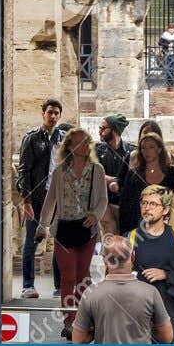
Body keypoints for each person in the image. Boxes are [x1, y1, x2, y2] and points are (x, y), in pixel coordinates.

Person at [38, 127, 108, 333]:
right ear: (69, 146)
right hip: (64, 229)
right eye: (80, 142)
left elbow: (103, 198)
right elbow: (50, 200)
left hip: (87, 229)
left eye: (87, 142)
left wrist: (95, 215)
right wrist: (43, 226)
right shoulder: (60, 172)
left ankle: (84, 320)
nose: (85, 146)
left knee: (83, 276)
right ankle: (69, 320)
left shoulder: (97, 170)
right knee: (68, 276)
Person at [128, 185, 174, 343]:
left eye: (153, 204)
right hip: (140, 316)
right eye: (144, 203)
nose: (147, 208)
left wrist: (166, 274)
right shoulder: (131, 238)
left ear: (165, 210)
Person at [72, 235, 174, 345]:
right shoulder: (150, 292)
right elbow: (167, 337)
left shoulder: (91, 293)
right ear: (133, 256)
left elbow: (78, 340)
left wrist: (95, 331)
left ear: (104, 259)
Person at [14, 97, 64, 298]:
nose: (52, 116)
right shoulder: (32, 138)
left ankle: (60, 286)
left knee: (60, 242)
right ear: (43, 113)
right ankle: (28, 285)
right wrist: (26, 200)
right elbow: (24, 171)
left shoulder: (64, 138)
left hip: (58, 198)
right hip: (37, 198)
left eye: (56, 113)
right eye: (49, 112)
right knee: (32, 241)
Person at [116, 131, 174, 233]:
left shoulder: (173, 173)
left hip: (167, 228)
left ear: (159, 149)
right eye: (143, 148)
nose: (146, 151)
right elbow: (125, 207)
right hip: (137, 229)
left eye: (151, 147)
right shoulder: (133, 175)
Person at [95, 114, 133, 232]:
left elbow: (134, 178)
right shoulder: (96, 150)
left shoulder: (131, 152)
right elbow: (94, 175)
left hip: (126, 205)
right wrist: (116, 180)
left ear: (114, 130)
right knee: (110, 242)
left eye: (103, 128)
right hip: (105, 203)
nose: (99, 131)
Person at [157, 23, 174, 89]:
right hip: (166, 53)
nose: (171, 30)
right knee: (167, 69)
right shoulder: (164, 35)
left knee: (173, 69)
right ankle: (168, 84)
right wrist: (167, 45)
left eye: (172, 28)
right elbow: (160, 43)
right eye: (170, 28)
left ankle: (172, 84)